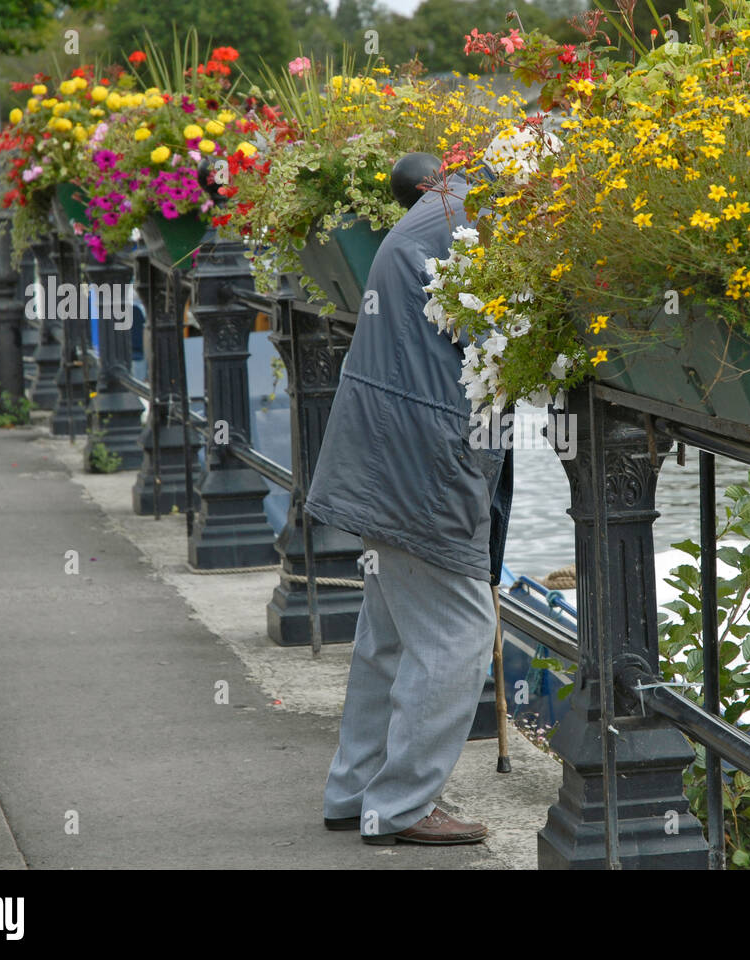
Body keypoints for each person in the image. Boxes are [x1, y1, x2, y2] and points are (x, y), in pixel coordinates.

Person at [305, 159, 512, 846]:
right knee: (458, 630)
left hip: (387, 436)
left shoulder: (450, 204)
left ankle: (356, 789)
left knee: (389, 636)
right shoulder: (491, 221)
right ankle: (402, 806)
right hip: (425, 447)